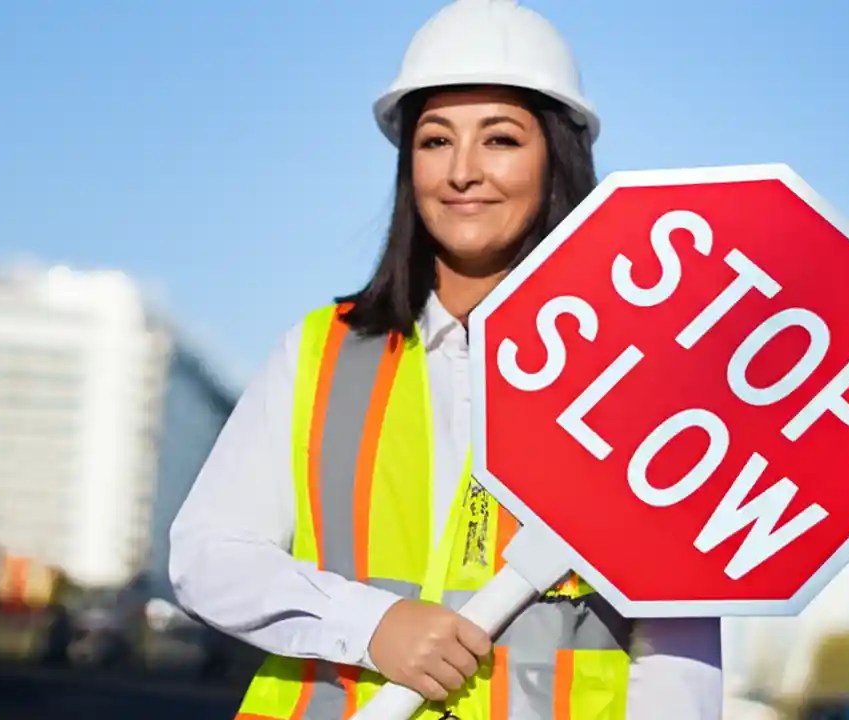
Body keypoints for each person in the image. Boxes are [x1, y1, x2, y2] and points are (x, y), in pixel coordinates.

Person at [169, 1, 724, 717]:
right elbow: (208, 555)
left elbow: (679, 655)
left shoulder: (639, 376)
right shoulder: (319, 352)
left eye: (500, 139)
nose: (463, 171)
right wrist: (371, 626)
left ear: (558, 154)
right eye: (435, 141)